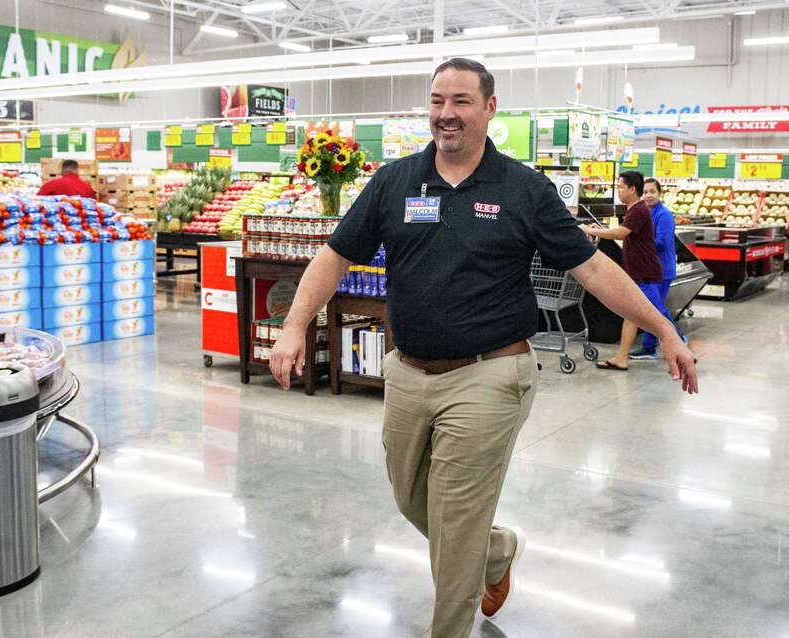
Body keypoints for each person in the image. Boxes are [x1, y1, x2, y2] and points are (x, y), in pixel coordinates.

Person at [269, 58, 698, 638]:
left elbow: (594, 269)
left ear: (490, 108)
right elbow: (335, 254)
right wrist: (296, 324)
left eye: (461, 101)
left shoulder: (524, 189)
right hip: (408, 369)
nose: (446, 114)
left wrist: (665, 329)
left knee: (457, 518)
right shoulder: (395, 181)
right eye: (438, 100)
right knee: (409, 497)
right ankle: (497, 552)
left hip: (491, 373)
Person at [580, 171, 666, 371]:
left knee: (657, 315)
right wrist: (600, 227)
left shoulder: (638, 210)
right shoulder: (634, 210)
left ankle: (679, 350)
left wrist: (592, 231)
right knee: (633, 314)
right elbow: (626, 232)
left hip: (644, 272)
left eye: (620, 187)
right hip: (638, 271)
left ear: (632, 189)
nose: (618, 190)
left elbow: (621, 233)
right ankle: (622, 357)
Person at [629, 178, 686, 360]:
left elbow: (661, 242)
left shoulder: (664, 215)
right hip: (649, 269)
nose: (648, 195)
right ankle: (649, 346)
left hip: (661, 270)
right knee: (653, 308)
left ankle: (678, 337)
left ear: (659, 193)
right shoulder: (645, 212)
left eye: (652, 191)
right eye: (645, 192)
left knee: (656, 308)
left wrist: (637, 241)